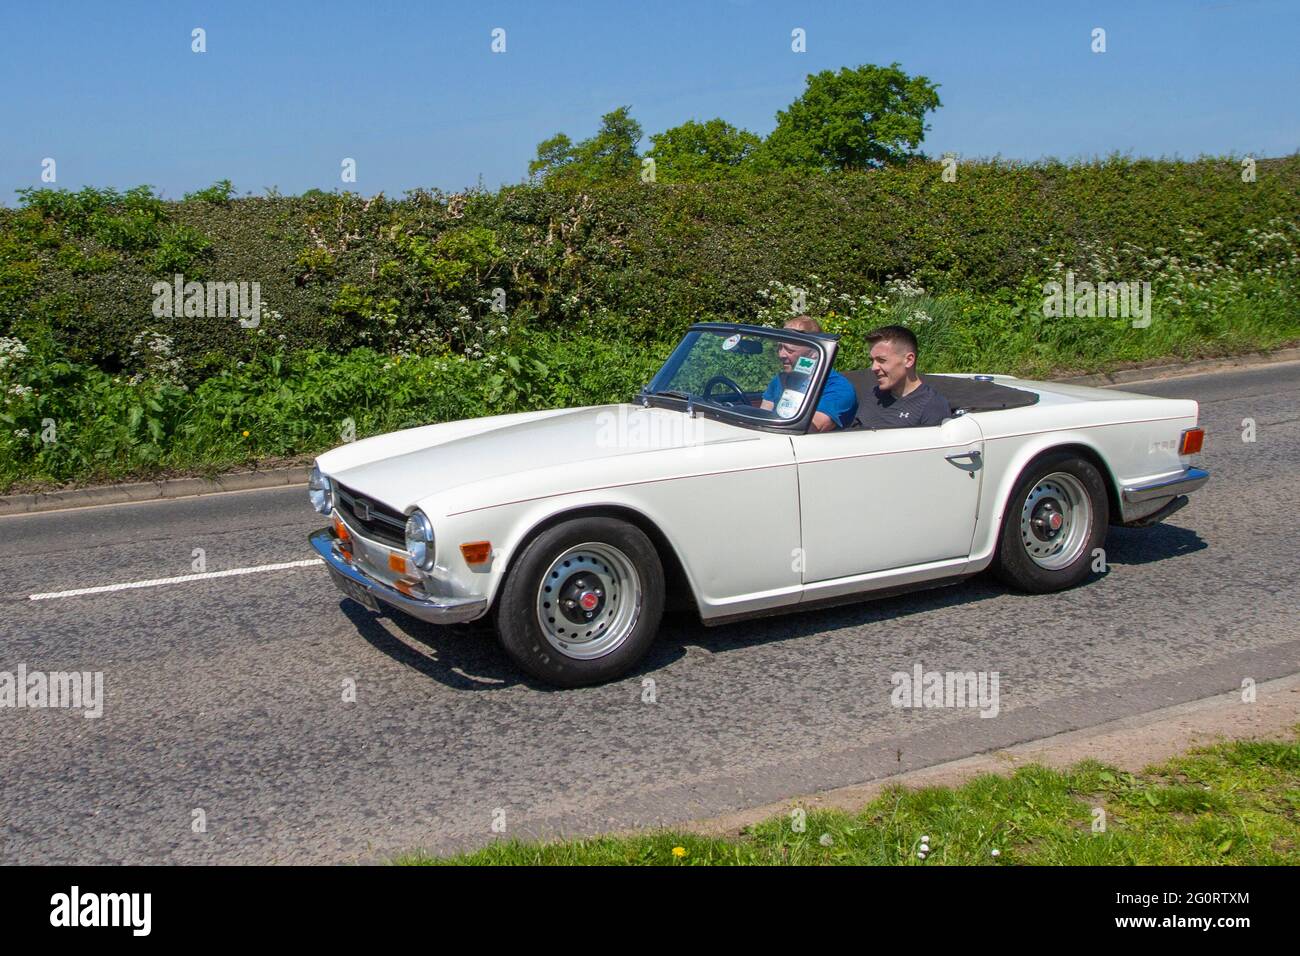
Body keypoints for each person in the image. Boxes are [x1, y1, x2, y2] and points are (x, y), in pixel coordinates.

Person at [760, 316, 858, 431]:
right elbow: (762, 416)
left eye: (789, 350)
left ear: (814, 353)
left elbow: (810, 428)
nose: (781, 355)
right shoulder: (780, 380)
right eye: (780, 347)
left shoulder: (837, 388)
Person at [855, 324, 952, 428]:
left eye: (882, 360)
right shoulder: (873, 395)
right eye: (872, 361)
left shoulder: (931, 405)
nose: (874, 367)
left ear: (909, 360)